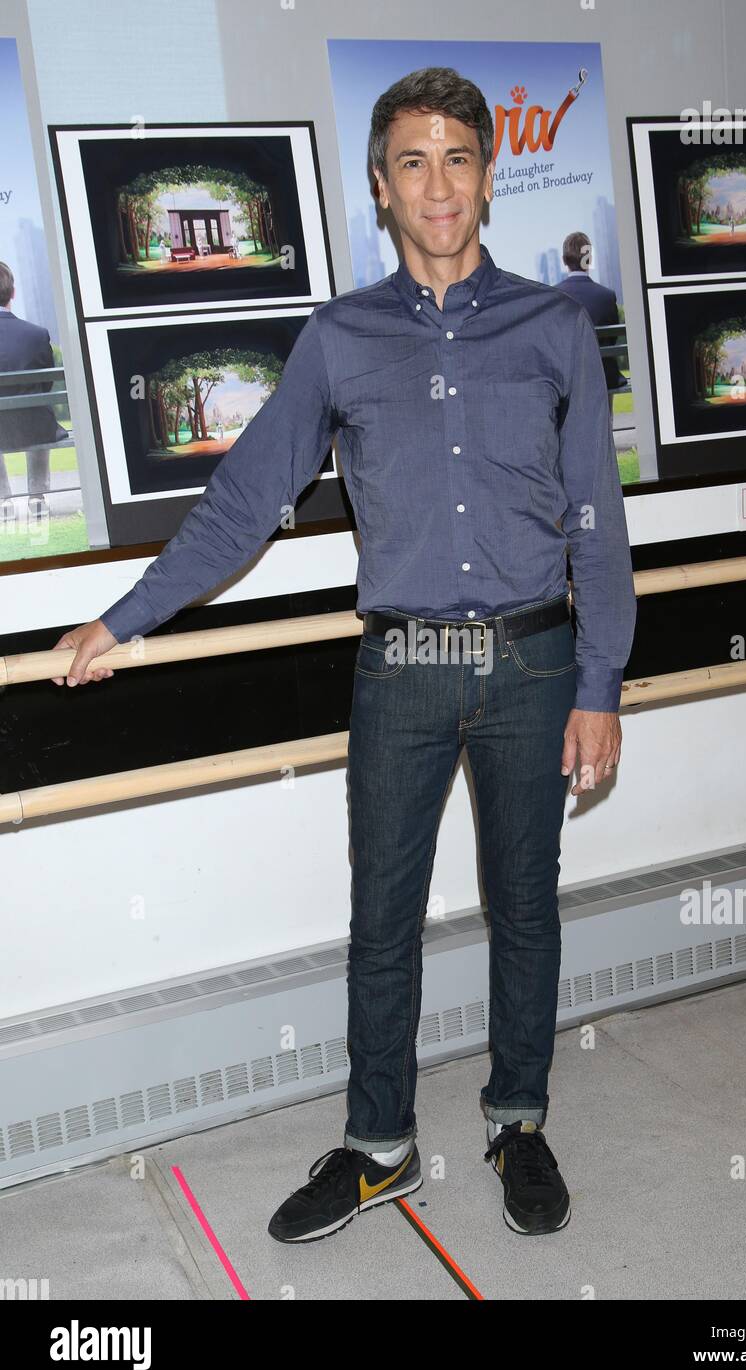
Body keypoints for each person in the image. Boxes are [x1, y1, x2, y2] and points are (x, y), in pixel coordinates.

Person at [51, 67, 637, 1242]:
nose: (437, 184)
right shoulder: (337, 338)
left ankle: (516, 1117)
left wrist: (598, 685)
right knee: (383, 918)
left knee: (525, 905)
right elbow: (241, 502)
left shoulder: (555, 328)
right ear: (380, 186)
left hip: (534, 664)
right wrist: (123, 618)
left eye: (457, 158)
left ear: (486, 176)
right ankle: (380, 1145)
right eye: (411, 161)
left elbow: (596, 522)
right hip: (400, 674)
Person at [0, 261, 60, 523]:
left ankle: (3, 502)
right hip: (35, 426)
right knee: (38, 413)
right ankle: (37, 498)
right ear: (13, 293)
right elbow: (45, 386)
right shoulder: (38, 334)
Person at [555, 233, 626, 391]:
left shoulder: (553, 296)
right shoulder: (607, 296)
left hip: (568, 379)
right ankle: (608, 416)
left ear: (564, 260)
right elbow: (612, 339)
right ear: (589, 260)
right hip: (604, 376)